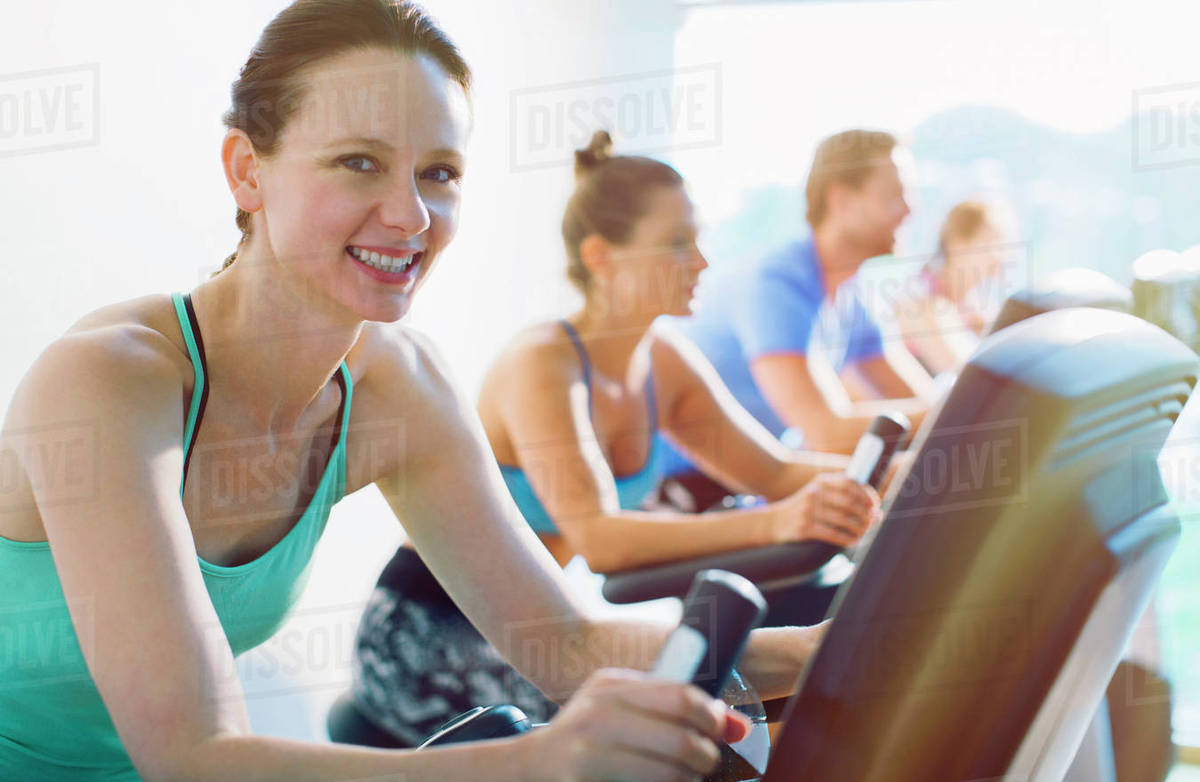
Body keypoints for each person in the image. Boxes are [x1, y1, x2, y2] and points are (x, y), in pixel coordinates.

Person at [0, 3, 828, 779]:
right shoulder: (108, 381)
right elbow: (195, 755)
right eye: (359, 163)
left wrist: (826, 647)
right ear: (246, 171)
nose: (411, 215)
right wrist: (534, 762)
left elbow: (566, 646)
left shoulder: (400, 386)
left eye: (439, 173)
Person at [350, 132, 881, 744]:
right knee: (684, 720)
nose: (702, 263)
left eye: (700, 240)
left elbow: (781, 473)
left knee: (759, 710)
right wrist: (781, 523)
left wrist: (908, 477)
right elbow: (599, 539)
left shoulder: (664, 360)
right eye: (678, 244)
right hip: (430, 635)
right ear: (602, 257)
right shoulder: (542, 364)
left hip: (535, 625)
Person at [652, 129, 936, 507]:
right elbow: (827, 432)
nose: (910, 208)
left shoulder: (854, 292)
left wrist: (963, 415)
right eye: (894, 195)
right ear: (842, 201)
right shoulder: (777, 280)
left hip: (749, 483)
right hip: (687, 491)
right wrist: (955, 409)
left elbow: (912, 396)